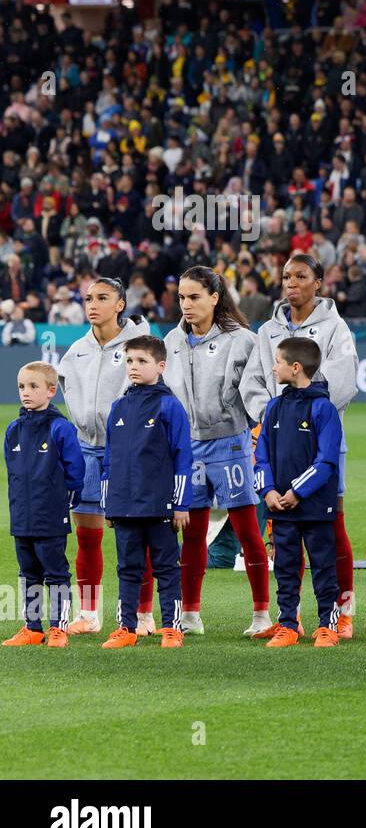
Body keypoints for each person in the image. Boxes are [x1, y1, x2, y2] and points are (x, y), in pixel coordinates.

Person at [240, 253, 360, 637]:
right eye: (286, 276)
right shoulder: (266, 331)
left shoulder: (335, 328)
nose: (291, 282)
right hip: (279, 438)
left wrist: (307, 412)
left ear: (318, 283)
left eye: (301, 276)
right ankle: (289, 615)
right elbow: (252, 382)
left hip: (322, 441)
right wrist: (275, 415)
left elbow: (343, 381)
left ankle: (342, 611)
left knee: (331, 528)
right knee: (286, 530)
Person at [162, 267, 270, 637]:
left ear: (215, 296)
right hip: (188, 447)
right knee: (191, 533)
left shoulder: (242, 340)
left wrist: (264, 429)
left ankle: (261, 615)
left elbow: (257, 391)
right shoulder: (171, 341)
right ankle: (189, 615)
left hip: (230, 443)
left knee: (247, 530)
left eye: (194, 297)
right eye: (181, 297)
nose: (187, 305)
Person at [58, 278, 151, 636]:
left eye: (102, 298)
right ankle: (89, 614)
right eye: (87, 299)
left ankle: (142, 615)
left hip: (126, 451)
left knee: (134, 538)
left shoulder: (138, 345)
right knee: (87, 537)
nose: (92, 304)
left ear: (121, 304)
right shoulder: (77, 350)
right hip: (86, 449)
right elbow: (65, 389)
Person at [100, 335, 193, 649]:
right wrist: (107, 504)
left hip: (160, 505)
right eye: (129, 361)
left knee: (167, 568)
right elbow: (109, 459)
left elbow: (183, 456)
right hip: (123, 506)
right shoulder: (119, 407)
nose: (134, 367)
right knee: (127, 568)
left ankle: (172, 628)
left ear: (160, 366)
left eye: (142, 361)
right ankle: (126, 628)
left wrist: (181, 503)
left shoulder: (169, 405)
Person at [252, 337, 344, 648]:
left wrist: (296, 491)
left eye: (277, 361)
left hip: (314, 506)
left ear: (295, 367)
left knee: (322, 566)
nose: (273, 367)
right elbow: (261, 453)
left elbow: (327, 459)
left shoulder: (323, 408)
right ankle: (288, 624)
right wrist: (267, 490)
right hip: (280, 507)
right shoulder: (275, 407)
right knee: (285, 566)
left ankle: (326, 625)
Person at [2, 362, 85, 647]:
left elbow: (76, 473)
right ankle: (32, 627)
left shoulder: (61, 428)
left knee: (55, 571)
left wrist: (63, 503)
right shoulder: (13, 430)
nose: (26, 392)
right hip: (21, 517)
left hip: (50, 515)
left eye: (33, 386)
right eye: (22, 387)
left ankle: (58, 627)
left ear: (51, 391)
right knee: (28, 572)